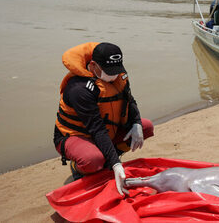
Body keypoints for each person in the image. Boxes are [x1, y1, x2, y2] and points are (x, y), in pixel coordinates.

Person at [53, 42, 154, 195]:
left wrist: (136, 123)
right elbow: (96, 128)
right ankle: (78, 168)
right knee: (92, 160)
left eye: (116, 70)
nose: (113, 75)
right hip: (77, 135)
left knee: (146, 127)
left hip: (108, 131)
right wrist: (116, 164)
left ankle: (109, 155)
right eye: (109, 71)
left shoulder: (119, 76)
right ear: (93, 65)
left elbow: (130, 100)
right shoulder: (78, 89)